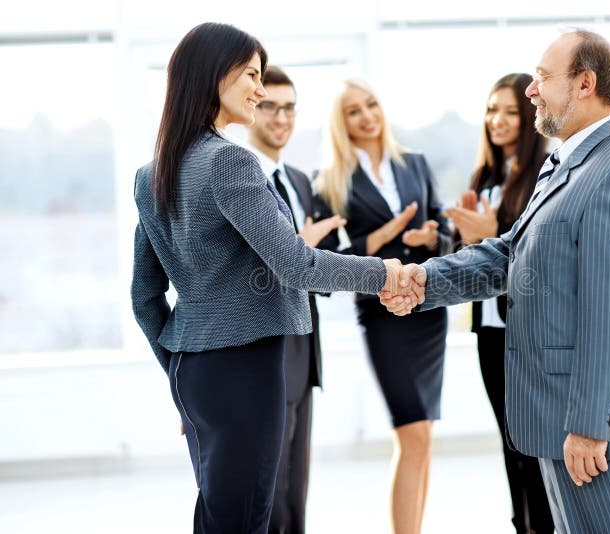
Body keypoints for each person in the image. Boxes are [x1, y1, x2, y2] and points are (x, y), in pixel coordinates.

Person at [131, 23, 417, 533]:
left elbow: (144, 296)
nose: (260, 91)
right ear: (214, 74)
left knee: (219, 515)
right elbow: (296, 264)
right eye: (251, 75)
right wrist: (385, 272)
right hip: (244, 370)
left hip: (194, 373)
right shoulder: (231, 163)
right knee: (243, 521)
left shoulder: (154, 172)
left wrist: (178, 371)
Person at [382, 29, 610, 533]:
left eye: (541, 77)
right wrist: (425, 280)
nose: (531, 90)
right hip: (561, 423)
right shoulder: (568, 166)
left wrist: (588, 428)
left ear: (584, 83)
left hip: (593, 435)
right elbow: (510, 254)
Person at [312, 78, 450, 534]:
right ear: (341, 122)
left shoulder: (415, 163)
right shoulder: (330, 182)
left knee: (423, 436)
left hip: (429, 310)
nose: (366, 115)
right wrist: (384, 237)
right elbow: (322, 263)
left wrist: (430, 236)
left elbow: (447, 230)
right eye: (353, 110)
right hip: (382, 314)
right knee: (410, 432)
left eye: (371, 104)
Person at [448, 73, 554, 534]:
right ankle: (522, 525)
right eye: (492, 110)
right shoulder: (484, 179)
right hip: (489, 331)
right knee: (510, 442)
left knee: (534, 446)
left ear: (531, 117)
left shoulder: (546, 176)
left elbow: (542, 263)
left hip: (528, 333)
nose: (499, 120)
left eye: (511, 111)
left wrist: (489, 236)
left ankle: (542, 526)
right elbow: (469, 260)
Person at [242, 66, 345, 534]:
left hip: (302, 349)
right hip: (261, 347)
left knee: (295, 481)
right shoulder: (240, 179)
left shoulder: (302, 181)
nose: (281, 118)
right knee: (265, 480)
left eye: (289, 107)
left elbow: (314, 271)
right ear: (251, 109)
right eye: (269, 107)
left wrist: (318, 254)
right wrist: (295, 252)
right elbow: (239, 273)